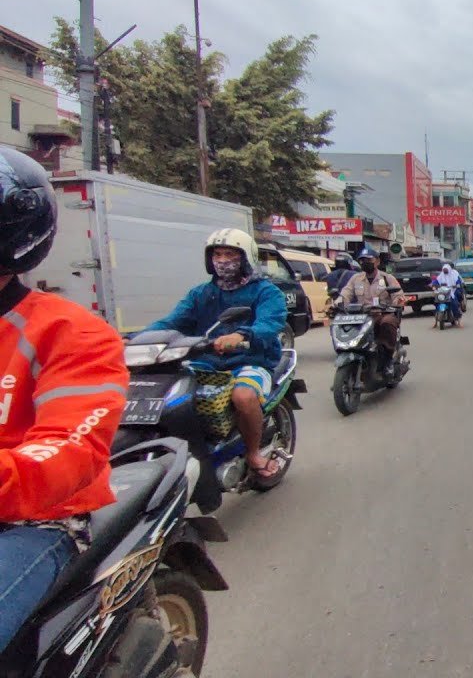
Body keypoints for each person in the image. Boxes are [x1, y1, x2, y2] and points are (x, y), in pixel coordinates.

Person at [0, 147, 129, 651]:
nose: (225, 263)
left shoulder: (70, 332)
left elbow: (67, 453)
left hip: (36, 523)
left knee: (245, 397)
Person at [147, 228, 287, 480]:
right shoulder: (200, 293)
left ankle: (253, 454)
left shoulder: (265, 292)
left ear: (245, 257)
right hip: (205, 363)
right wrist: (135, 339)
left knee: (243, 396)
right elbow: (171, 322)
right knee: (169, 396)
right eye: (217, 254)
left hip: (251, 361)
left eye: (230, 254)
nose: (222, 260)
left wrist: (242, 336)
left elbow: (270, 322)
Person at [337, 248, 404, 374]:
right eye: (362, 261)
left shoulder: (387, 278)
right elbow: (345, 294)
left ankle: (388, 360)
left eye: (369, 260)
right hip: (362, 316)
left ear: (377, 261)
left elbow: (399, 296)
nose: (365, 263)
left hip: (383, 314)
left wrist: (397, 303)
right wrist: (336, 304)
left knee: (387, 322)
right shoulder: (355, 279)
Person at [431, 263, 464, 327]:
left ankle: (457, 318)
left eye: (446, 270)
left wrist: (457, 285)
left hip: (452, 291)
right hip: (443, 292)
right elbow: (436, 281)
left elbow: (458, 281)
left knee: (454, 303)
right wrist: (434, 286)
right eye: (444, 270)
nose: (445, 271)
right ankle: (436, 319)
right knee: (437, 303)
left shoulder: (454, 275)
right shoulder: (441, 275)